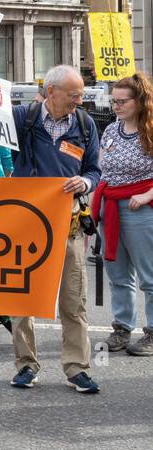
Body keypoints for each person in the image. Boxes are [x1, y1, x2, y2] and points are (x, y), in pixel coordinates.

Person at [0, 64, 101, 394]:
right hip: (26, 225)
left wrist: (86, 181)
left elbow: (94, 169)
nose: (79, 100)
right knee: (22, 298)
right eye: (74, 95)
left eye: (80, 94)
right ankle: (26, 365)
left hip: (68, 225)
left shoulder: (84, 124)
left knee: (73, 301)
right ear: (51, 92)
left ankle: (77, 368)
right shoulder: (24, 117)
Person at [94, 73, 153, 357]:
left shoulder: (150, 130)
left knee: (149, 276)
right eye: (113, 101)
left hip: (140, 208)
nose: (116, 106)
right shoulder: (110, 130)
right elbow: (103, 166)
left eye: (122, 101)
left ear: (139, 101)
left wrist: (147, 195)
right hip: (111, 206)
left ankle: (152, 332)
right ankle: (122, 327)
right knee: (117, 273)